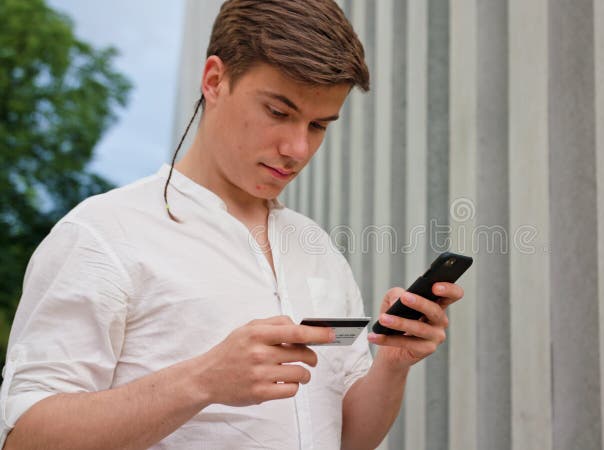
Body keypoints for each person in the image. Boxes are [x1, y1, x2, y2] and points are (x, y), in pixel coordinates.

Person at [0, 1, 464, 449]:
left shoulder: (318, 250)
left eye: (319, 125)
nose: (297, 148)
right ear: (214, 80)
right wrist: (202, 381)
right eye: (279, 112)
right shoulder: (102, 235)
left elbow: (344, 439)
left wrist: (392, 364)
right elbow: (26, 437)